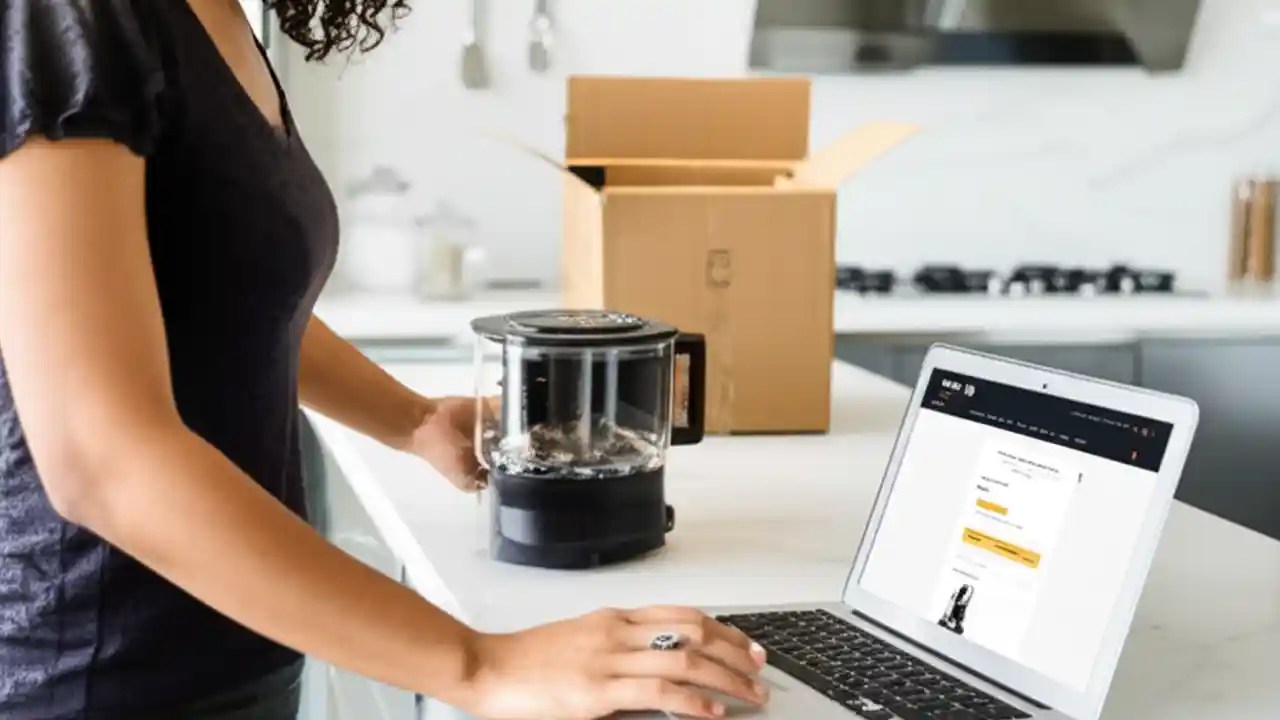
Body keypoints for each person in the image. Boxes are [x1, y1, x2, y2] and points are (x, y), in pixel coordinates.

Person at [0, 1, 768, 718]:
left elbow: (216, 297)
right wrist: (484, 666)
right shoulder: (71, 17)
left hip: (234, 643)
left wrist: (416, 421)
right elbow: (100, 457)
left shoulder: (212, 17)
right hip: (91, 675)